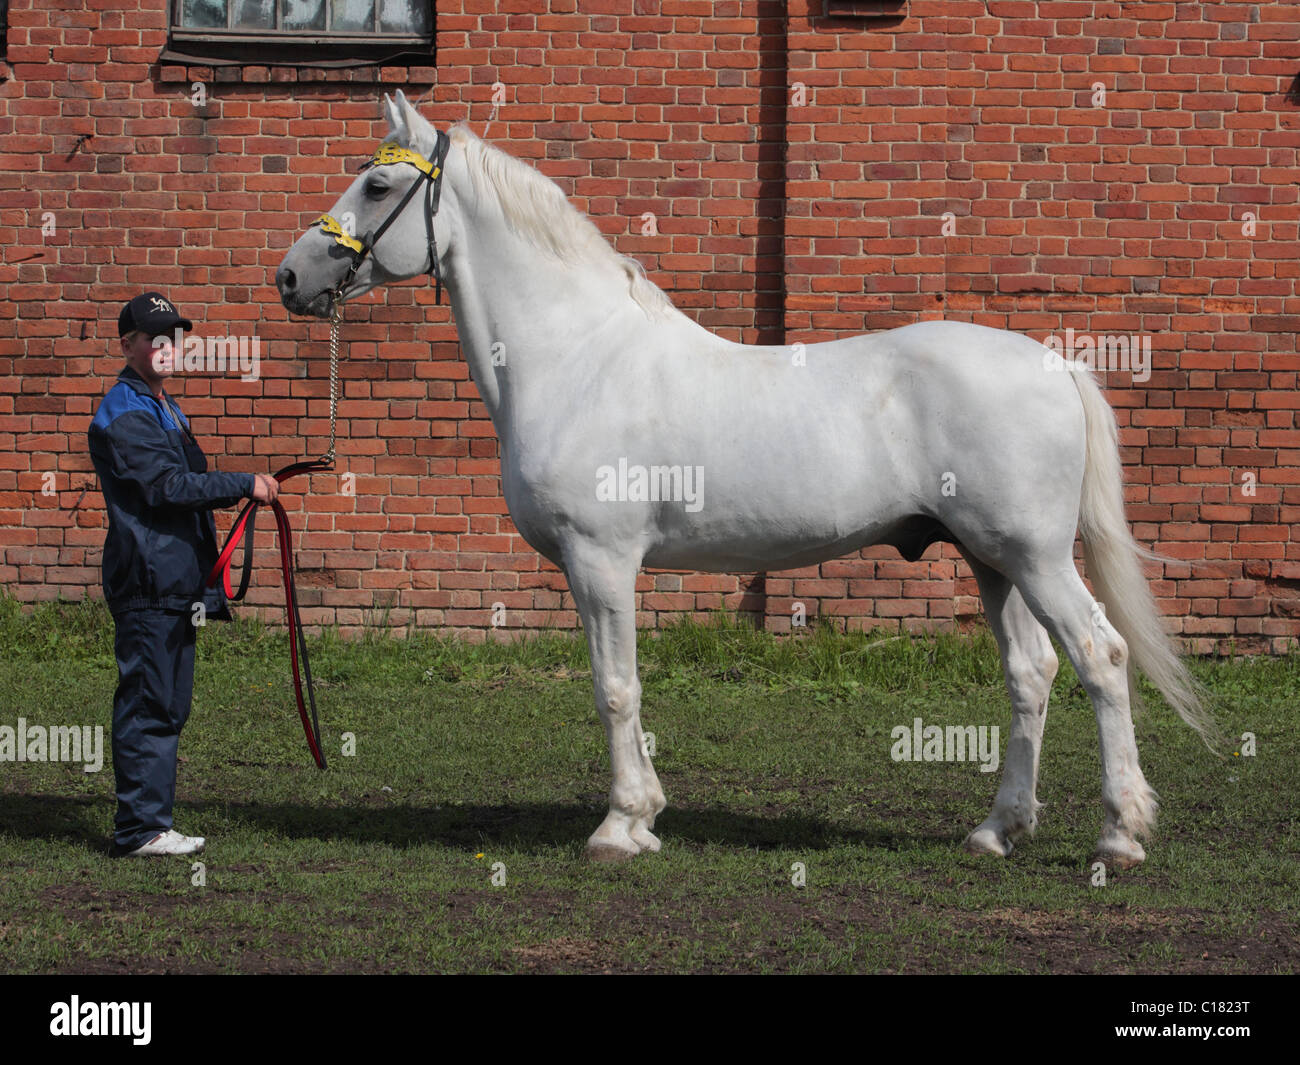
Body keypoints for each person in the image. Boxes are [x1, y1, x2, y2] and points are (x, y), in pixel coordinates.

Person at [88, 292, 278, 857]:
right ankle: (141, 829)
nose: (168, 348)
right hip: (148, 579)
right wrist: (242, 483)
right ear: (129, 345)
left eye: (174, 339)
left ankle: (149, 821)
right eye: (156, 339)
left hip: (173, 579)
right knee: (150, 701)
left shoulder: (162, 406)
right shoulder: (125, 412)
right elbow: (167, 487)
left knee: (167, 701)